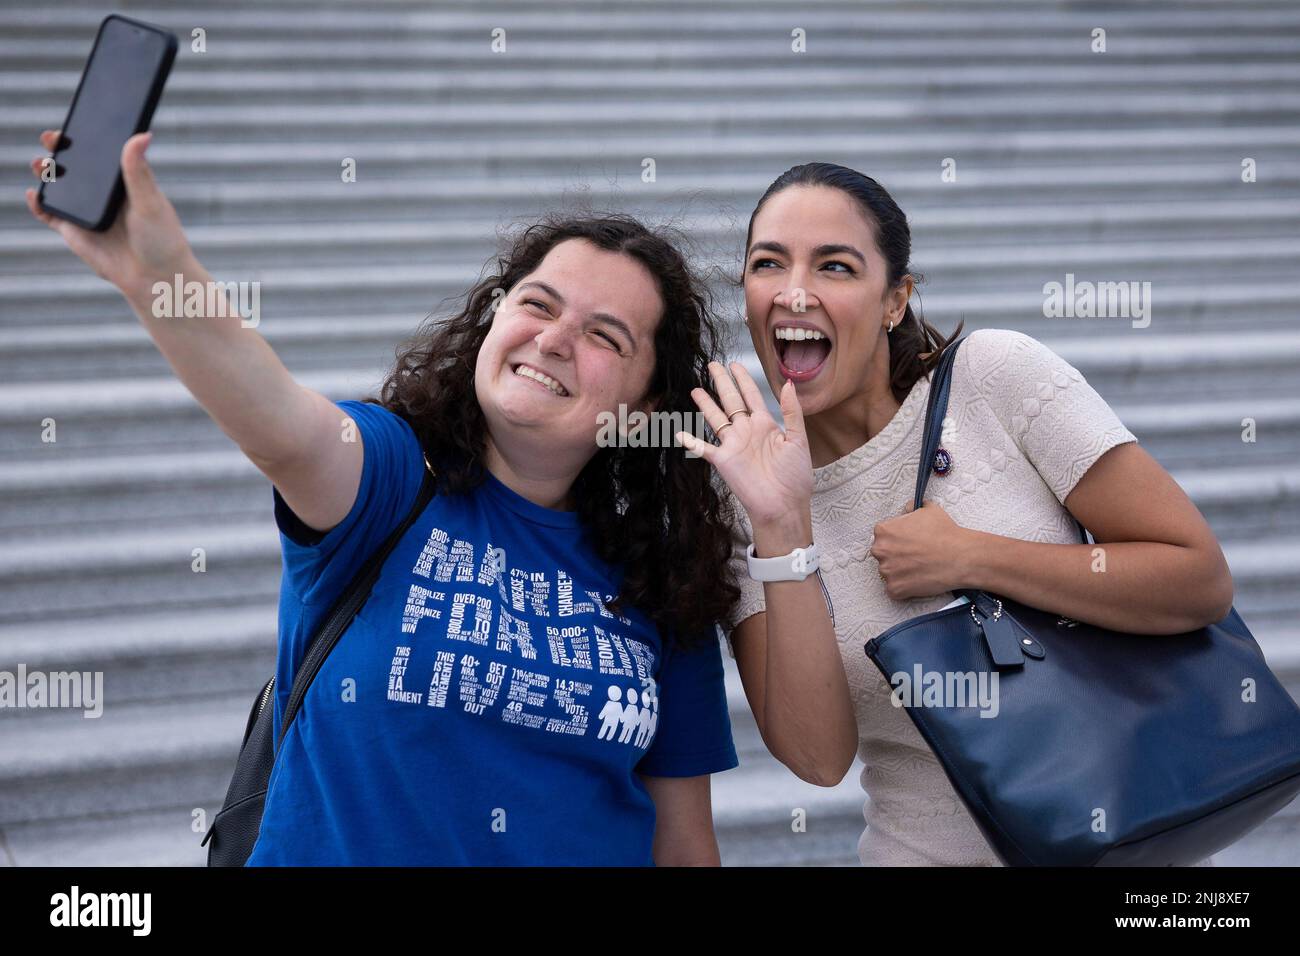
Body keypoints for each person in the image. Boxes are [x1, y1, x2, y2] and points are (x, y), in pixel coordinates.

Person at [26, 130, 741, 865]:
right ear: (495, 314)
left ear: (648, 406)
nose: (555, 339)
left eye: (605, 336)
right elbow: (280, 424)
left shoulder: (660, 575)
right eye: (538, 303)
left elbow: (683, 844)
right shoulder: (393, 477)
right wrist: (160, 277)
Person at [678, 161, 1233, 866]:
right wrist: (784, 526)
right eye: (768, 263)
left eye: (836, 267)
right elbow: (818, 759)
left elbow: (1199, 579)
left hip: (1124, 841)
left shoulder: (995, 378)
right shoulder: (740, 491)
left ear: (893, 300)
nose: (794, 292)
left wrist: (973, 558)